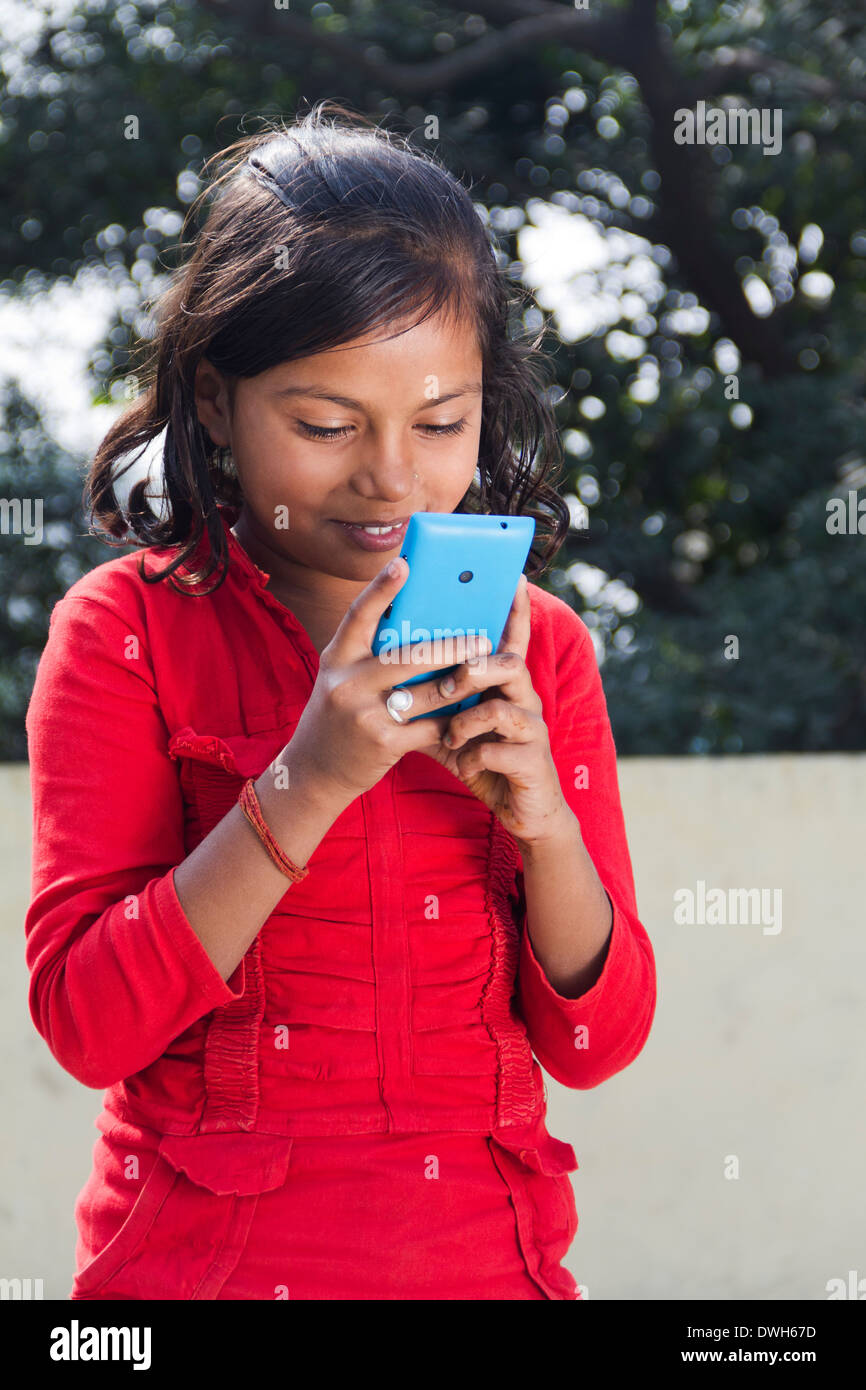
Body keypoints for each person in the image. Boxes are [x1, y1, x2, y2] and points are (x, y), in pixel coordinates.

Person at [24, 100, 656, 1301]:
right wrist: (306, 780)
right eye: (323, 424)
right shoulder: (127, 633)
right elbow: (86, 1025)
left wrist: (544, 826)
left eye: (440, 422)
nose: (389, 474)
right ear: (214, 404)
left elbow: (597, 1042)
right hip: (194, 1280)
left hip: (492, 1267)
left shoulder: (542, 648)